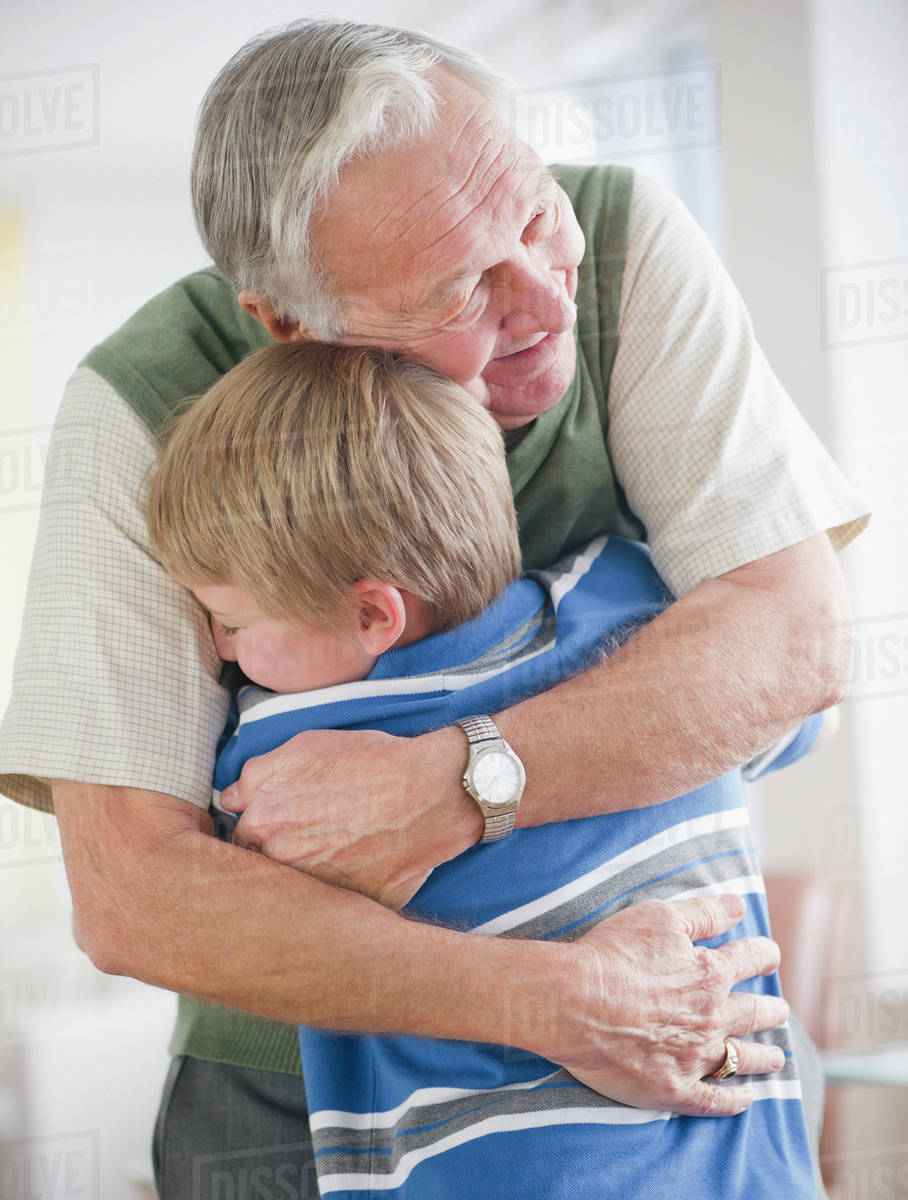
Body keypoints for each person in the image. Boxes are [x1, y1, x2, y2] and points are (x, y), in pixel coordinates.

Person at [0, 18, 867, 1196]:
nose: (548, 302)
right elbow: (132, 896)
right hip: (301, 1089)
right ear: (291, 330)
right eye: (462, 287)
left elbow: (795, 636)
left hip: (679, 1030)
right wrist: (556, 1003)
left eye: (532, 214)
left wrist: (455, 784)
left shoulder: (617, 241)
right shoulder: (144, 405)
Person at [147, 339, 824, 1199]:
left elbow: (217, 909)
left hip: (498, 1173)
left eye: (231, 621)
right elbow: (798, 722)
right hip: (746, 1150)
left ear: (371, 614)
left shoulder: (284, 741)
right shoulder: (638, 599)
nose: (220, 650)